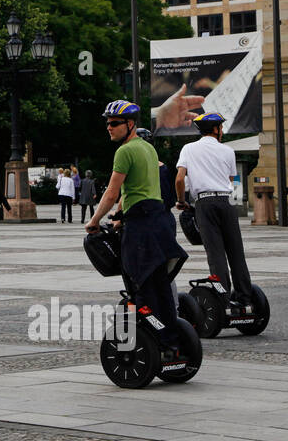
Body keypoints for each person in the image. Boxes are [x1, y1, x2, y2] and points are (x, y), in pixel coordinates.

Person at [85, 100, 186, 357]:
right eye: (107, 123)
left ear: (130, 124)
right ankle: (172, 341)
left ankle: (155, 340)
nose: (109, 127)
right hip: (158, 223)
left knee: (140, 286)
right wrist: (120, 216)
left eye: (114, 123)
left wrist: (94, 221)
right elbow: (140, 191)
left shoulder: (125, 151)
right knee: (160, 284)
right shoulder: (149, 150)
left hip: (142, 228)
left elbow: (112, 191)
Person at [174, 113, 253, 305]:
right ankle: (245, 297)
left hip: (204, 203)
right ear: (216, 129)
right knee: (236, 251)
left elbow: (179, 179)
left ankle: (223, 298)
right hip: (226, 202)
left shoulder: (188, 148)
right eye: (221, 128)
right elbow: (230, 180)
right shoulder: (227, 151)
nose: (222, 131)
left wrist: (181, 201)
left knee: (215, 253)